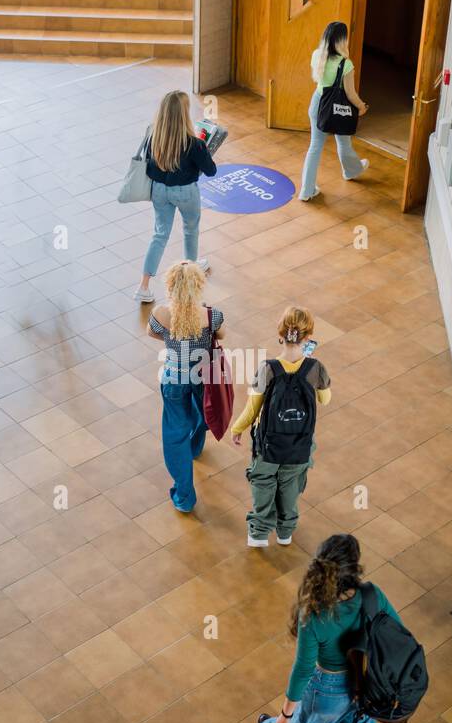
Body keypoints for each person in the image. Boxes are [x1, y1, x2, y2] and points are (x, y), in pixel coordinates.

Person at [259, 534, 403, 723]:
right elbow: (398, 634)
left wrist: (286, 710)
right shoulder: (372, 596)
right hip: (367, 691)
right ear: (354, 568)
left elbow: (303, 669)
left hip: (328, 690)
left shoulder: (314, 613)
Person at [231, 306, 330, 548]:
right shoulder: (316, 368)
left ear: (280, 334)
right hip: (299, 444)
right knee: (290, 486)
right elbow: (325, 400)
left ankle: (258, 533)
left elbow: (252, 409)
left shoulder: (268, 368)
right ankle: (285, 532)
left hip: (268, 443)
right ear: (308, 337)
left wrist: (237, 428)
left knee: (263, 483)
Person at [147, 261, 224, 514]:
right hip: (202, 375)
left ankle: (184, 495)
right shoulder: (211, 315)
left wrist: (171, 341)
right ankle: (196, 446)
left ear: (170, 284)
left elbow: (152, 332)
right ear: (198, 285)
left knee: (174, 432)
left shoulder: (161, 313)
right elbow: (221, 334)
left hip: (173, 377)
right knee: (204, 412)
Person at [135, 90, 217, 303]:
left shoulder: (153, 136)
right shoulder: (194, 144)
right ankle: (190, 277)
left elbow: (150, 167)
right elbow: (211, 171)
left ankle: (143, 287)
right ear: (184, 114)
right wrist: (205, 150)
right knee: (190, 229)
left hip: (159, 191)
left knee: (159, 235)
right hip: (185, 192)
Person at [300, 21, 370, 202]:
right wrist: (362, 106)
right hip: (339, 108)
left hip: (318, 104)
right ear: (342, 41)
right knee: (344, 143)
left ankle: (306, 191)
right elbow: (350, 94)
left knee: (314, 147)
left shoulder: (317, 55)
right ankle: (352, 170)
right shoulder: (346, 64)